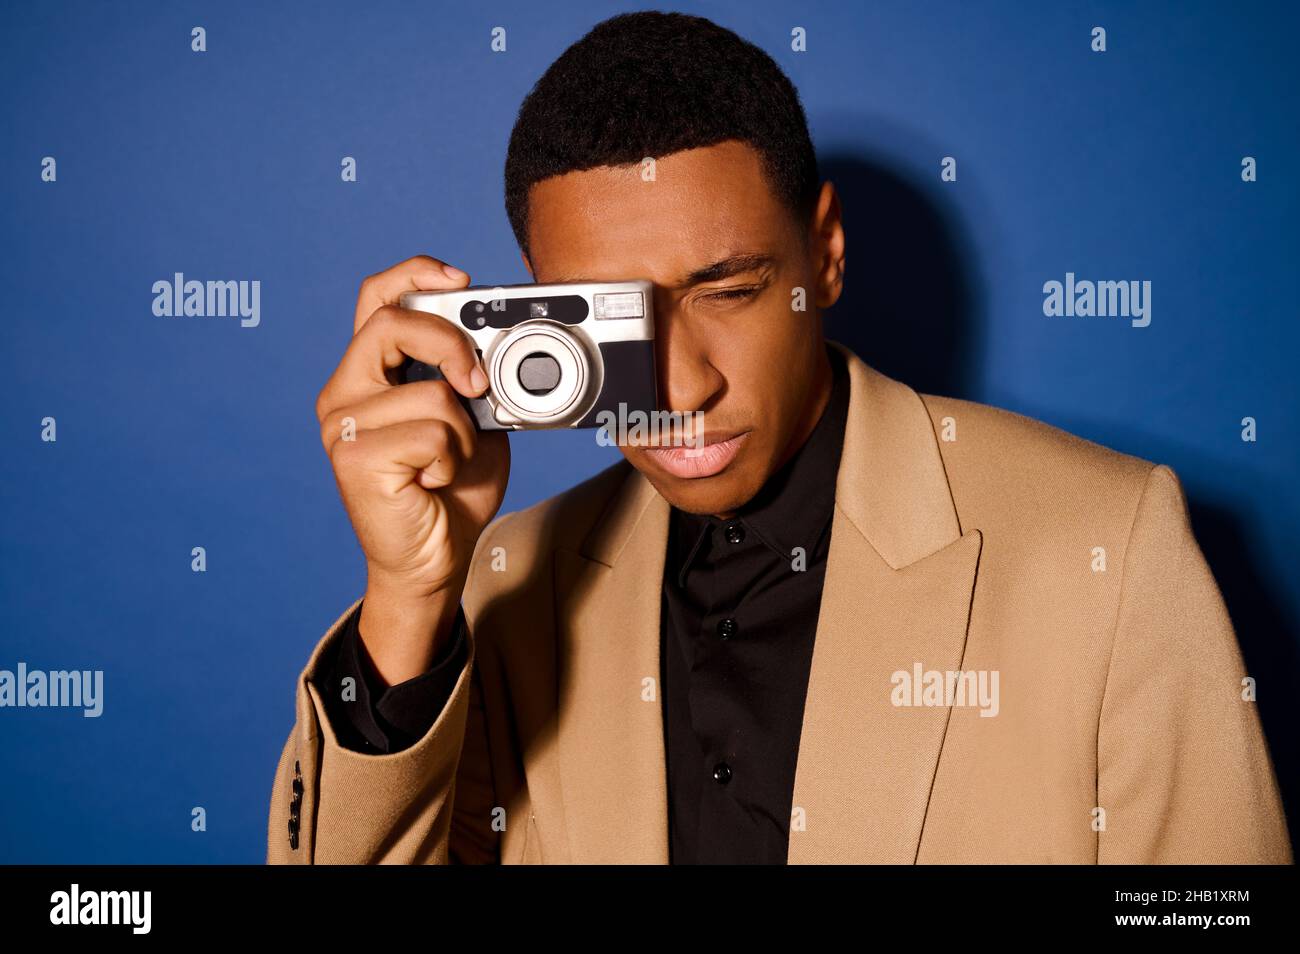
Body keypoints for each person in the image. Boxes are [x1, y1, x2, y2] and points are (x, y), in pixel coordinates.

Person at [267, 11, 1292, 864]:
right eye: (614, 320)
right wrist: (405, 600)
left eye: (729, 291)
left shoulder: (1108, 549)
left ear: (828, 255)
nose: (676, 384)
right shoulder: (498, 585)